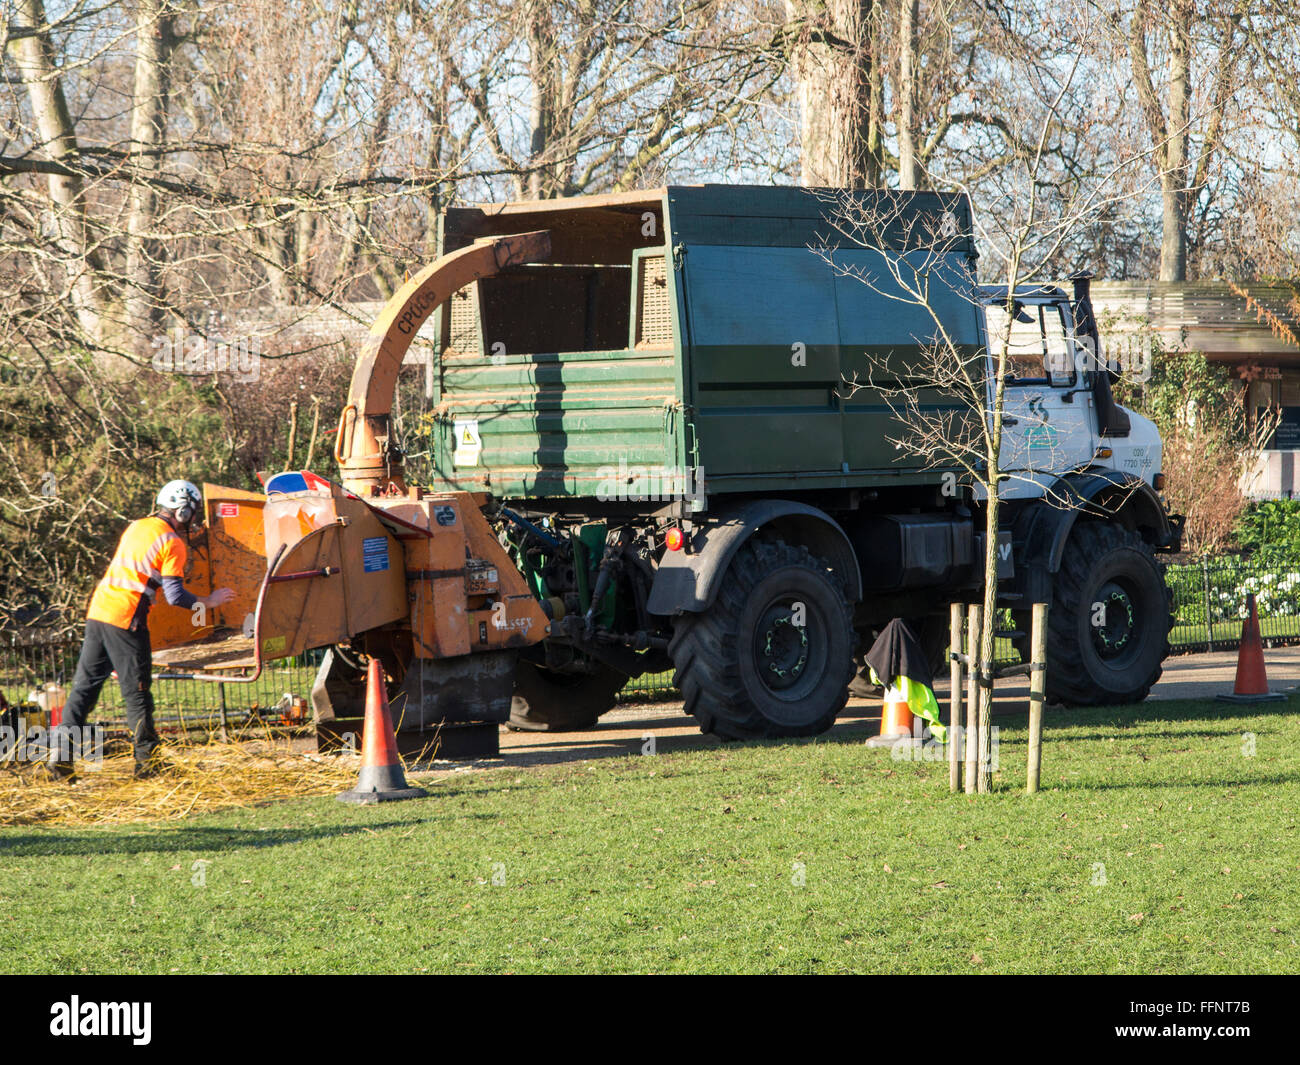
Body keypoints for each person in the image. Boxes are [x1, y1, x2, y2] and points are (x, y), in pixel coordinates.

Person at [49, 481, 233, 782]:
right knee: (137, 694)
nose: (194, 520)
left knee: (84, 690)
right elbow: (176, 596)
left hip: (99, 612)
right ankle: (148, 765)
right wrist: (208, 601)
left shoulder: (138, 526)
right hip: (127, 618)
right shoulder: (172, 542)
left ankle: (60, 761)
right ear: (183, 511)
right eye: (193, 513)